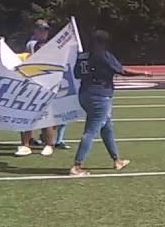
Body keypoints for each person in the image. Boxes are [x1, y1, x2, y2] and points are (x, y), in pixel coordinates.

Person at [69, 30, 152, 177]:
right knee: (91, 131)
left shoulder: (82, 55)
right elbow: (122, 71)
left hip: (84, 94)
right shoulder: (103, 55)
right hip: (100, 95)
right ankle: (77, 165)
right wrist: (144, 72)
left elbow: (76, 74)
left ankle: (116, 160)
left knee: (106, 128)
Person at [16, 20, 58, 157]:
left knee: (46, 116)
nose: (44, 32)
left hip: (46, 83)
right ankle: (27, 144)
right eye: (41, 29)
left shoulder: (46, 44)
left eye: (46, 29)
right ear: (35, 30)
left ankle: (47, 143)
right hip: (34, 82)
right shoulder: (33, 44)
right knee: (29, 115)